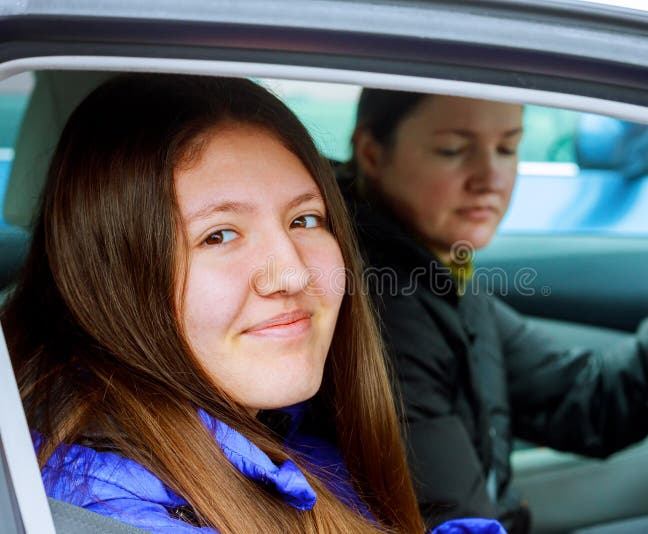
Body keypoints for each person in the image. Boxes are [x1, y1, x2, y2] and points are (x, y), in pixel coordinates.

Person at [3, 74, 505, 534]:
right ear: (111, 278)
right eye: (219, 235)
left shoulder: (280, 425)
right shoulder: (107, 512)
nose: (292, 273)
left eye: (305, 220)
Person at [344, 89, 648, 534]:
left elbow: (586, 401)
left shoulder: (437, 278)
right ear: (371, 153)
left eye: (507, 148)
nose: (490, 178)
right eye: (453, 150)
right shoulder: (385, 315)